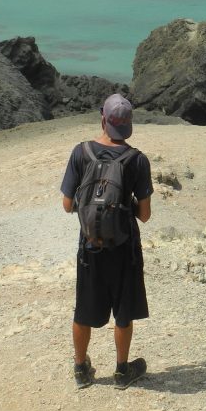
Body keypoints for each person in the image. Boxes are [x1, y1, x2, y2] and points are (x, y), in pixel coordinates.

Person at [60, 93, 152, 389]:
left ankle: (80, 369)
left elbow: (66, 204)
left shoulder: (81, 152)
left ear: (103, 118)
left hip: (89, 246)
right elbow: (146, 215)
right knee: (123, 311)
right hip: (124, 248)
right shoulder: (137, 160)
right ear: (128, 127)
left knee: (83, 308)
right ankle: (123, 371)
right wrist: (124, 205)